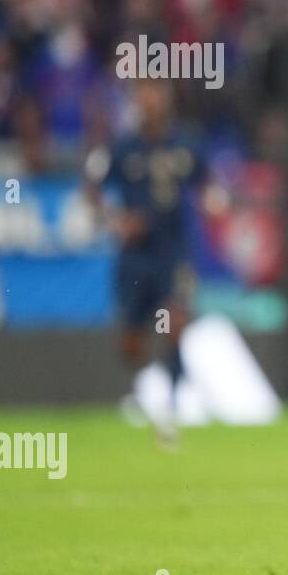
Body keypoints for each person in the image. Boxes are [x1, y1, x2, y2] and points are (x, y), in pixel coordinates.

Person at [84, 77, 211, 446]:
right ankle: (146, 389)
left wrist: (214, 203)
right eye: (145, 94)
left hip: (174, 252)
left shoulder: (187, 142)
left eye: (157, 93)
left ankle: (170, 407)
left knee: (174, 323)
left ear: (167, 99)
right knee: (131, 344)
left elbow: (207, 184)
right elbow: (92, 190)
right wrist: (117, 221)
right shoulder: (122, 147)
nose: (151, 101)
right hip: (135, 258)